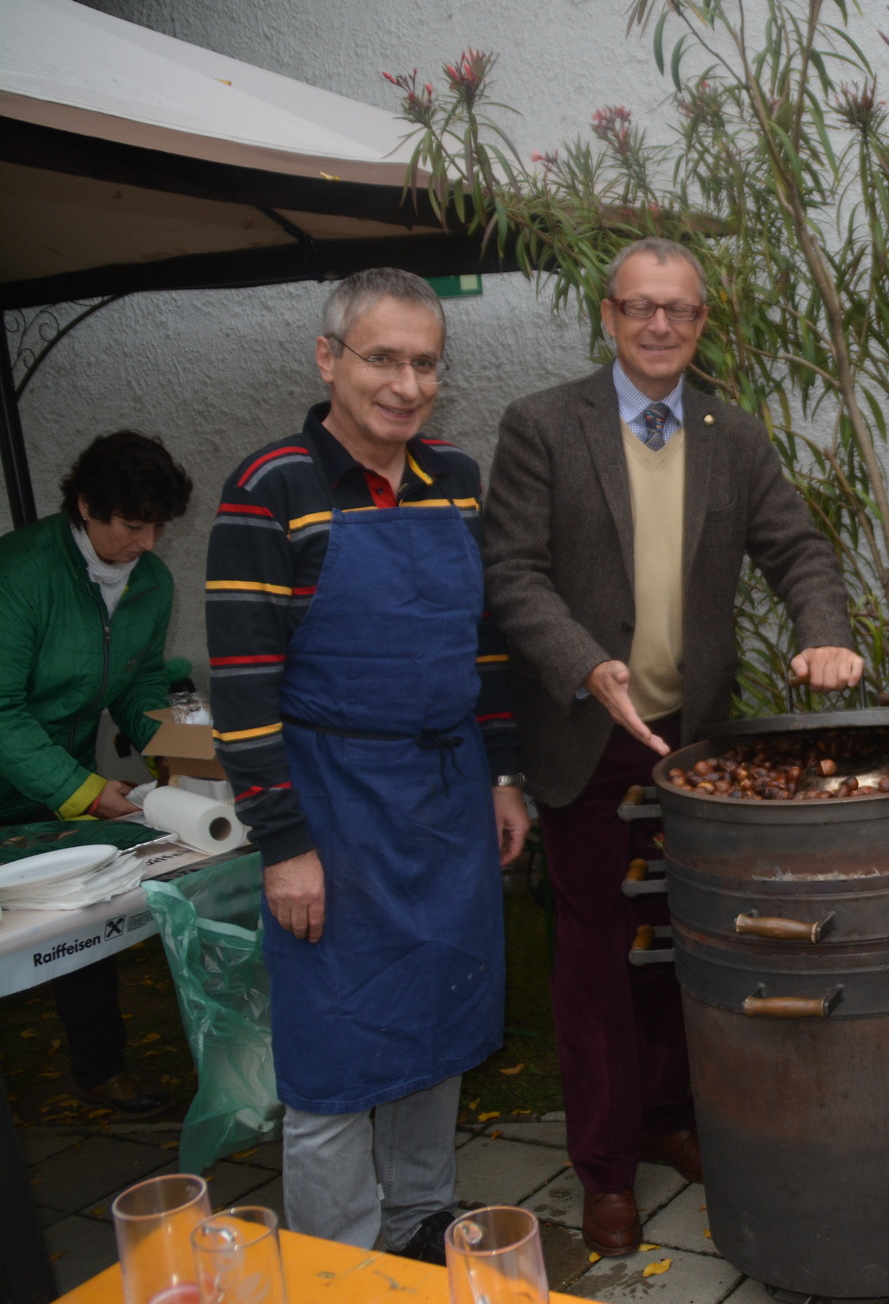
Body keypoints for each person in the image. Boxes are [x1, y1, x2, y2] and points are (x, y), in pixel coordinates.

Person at [483, 237, 861, 1255]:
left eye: (680, 310)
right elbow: (511, 572)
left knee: (681, 944)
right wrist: (583, 663)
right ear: (607, 315)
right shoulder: (541, 425)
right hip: (586, 738)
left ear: (702, 323)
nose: (660, 325)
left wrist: (823, 629)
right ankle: (604, 1167)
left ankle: (667, 1116)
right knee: (596, 963)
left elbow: (797, 547)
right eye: (641, 307)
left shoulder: (731, 433)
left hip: (692, 747)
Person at [206, 268, 526, 1261]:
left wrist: (503, 775)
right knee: (335, 1043)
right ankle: (336, 1259)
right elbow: (242, 688)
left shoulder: (455, 477)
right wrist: (282, 844)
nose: (407, 384)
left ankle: (420, 1217)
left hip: (446, 794)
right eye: (383, 358)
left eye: (425, 363)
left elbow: (483, 643)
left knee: (441, 1007)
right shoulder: (270, 488)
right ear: (328, 358)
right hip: (332, 805)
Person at [0, 431, 192, 1117]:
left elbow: (138, 685)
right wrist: (81, 790)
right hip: (32, 767)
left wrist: (180, 757)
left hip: (56, 774)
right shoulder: (20, 573)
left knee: (83, 913)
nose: (146, 542)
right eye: (132, 525)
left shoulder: (152, 582)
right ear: (85, 506)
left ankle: (101, 1069)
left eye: (158, 527)